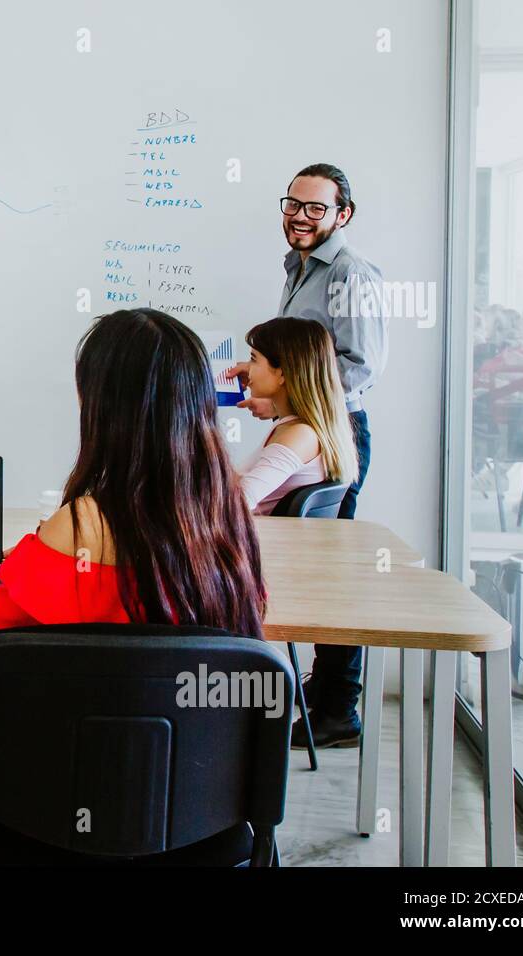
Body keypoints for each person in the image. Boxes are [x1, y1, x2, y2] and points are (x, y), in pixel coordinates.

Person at [0, 308, 268, 796]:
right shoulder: (229, 518)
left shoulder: (78, 526)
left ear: (100, 406)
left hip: (60, 797)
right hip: (195, 803)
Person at [228, 162, 385, 749]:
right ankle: (324, 700)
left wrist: (290, 399)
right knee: (326, 573)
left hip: (332, 424)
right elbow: (302, 354)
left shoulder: (348, 274)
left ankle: (337, 707)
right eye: (292, 204)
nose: (299, 215)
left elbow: (358, 365)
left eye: (315, 208)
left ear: (342, 215)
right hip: (311, 419)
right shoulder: (300, 267)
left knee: (331, 583)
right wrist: (264, 381)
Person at [234, 317, 358, 517]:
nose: (247, 369)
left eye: (254, 359)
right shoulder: (298, 428)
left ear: (282, 373)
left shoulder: (299, 436)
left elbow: (236, 504)